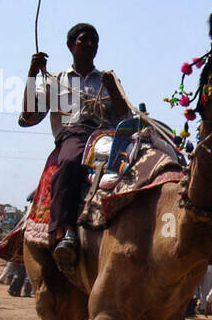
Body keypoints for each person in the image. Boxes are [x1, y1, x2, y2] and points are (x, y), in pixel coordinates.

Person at [20, 23, 132, 273]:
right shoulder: (55, 81)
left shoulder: (108, 80)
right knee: (70, 163)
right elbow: (28, 117)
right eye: (84, 40)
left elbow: (125, 116)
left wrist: (113, 90)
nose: (90, 44)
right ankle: (65, 231)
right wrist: (32, 73)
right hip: (75, 136)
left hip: (110, 137)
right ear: (71, 46)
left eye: (94, 40)